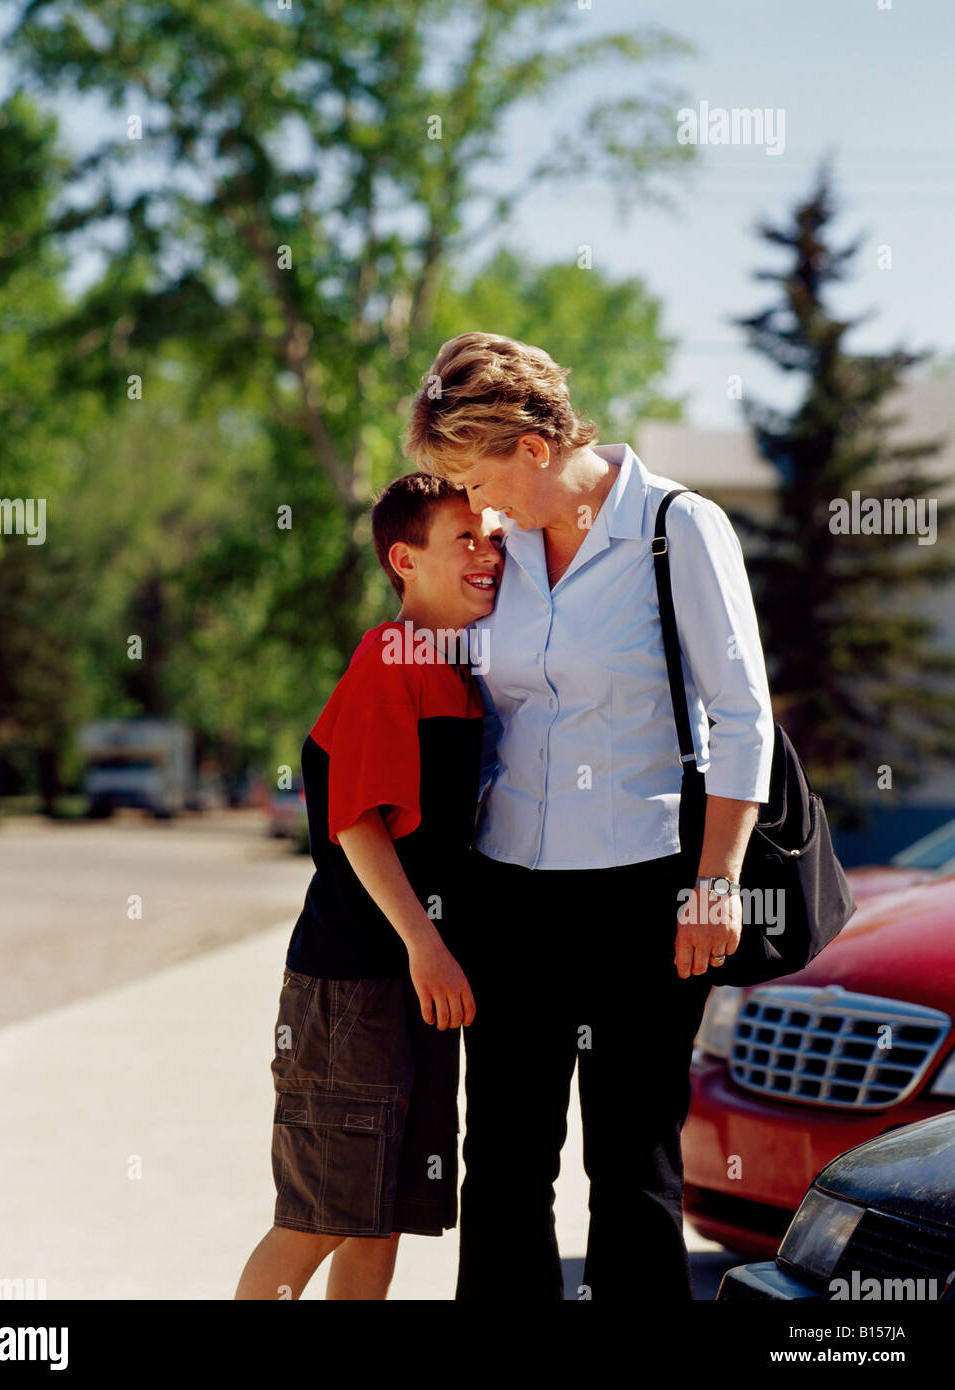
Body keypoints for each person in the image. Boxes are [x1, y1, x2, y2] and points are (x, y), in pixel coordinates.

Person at [402, 331, 775, 1301]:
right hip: (506, 893)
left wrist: (716, 883)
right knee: (503, 1162)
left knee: (631, 1162)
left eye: (477, 479)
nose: (475, 507)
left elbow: (742, 716)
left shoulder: (676, 527)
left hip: (642, 897)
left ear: (533, 447)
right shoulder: (505, 551)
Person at [234, 471, 505, 1300]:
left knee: (378, 1218)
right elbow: (356, 822)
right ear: (404, 560)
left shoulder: (454, 669)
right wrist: (427, 946)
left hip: (415, 986)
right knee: (320, 1214)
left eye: (492, 537)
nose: (488, 553)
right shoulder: (392, 658)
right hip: (355, 984)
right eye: (464, 538)